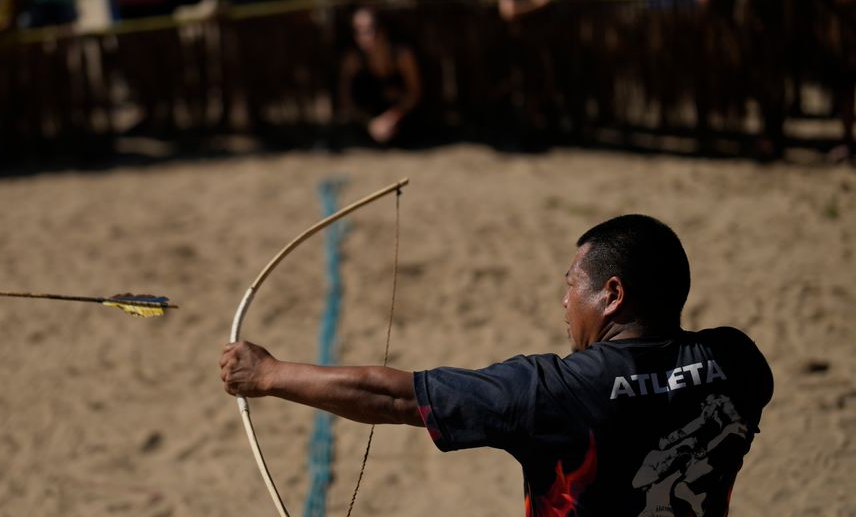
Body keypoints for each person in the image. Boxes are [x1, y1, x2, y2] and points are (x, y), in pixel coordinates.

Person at [220, 214, 773, 516]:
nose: (564, 303)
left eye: (571, 287)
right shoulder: (740, 361)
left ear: (612, 294)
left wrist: (268, 374)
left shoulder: (556, 391)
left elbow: (398, 397)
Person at [337, 7, 421, 145]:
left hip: (401, 117)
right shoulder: (353, 60)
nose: (364, 36)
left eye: (370, 29)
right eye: (357, 31)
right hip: (366, 121)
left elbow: (414, 93)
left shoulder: (401, 55)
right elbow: (346, 99)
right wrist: (370, 123)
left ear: (382, 29)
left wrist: (390, 119)